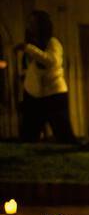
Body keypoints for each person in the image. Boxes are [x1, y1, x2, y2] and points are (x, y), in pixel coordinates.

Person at [15, 11, 76, 143]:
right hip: (34, 95)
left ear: (42, 25)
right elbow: (32, 68)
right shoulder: (33, 44)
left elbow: (51, 61)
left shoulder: (53, 43)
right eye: (29, 22)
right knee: (29, 134)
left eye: (33, 22)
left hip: (53, 94)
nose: (30, 25)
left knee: (63, 133)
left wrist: (28, 48)